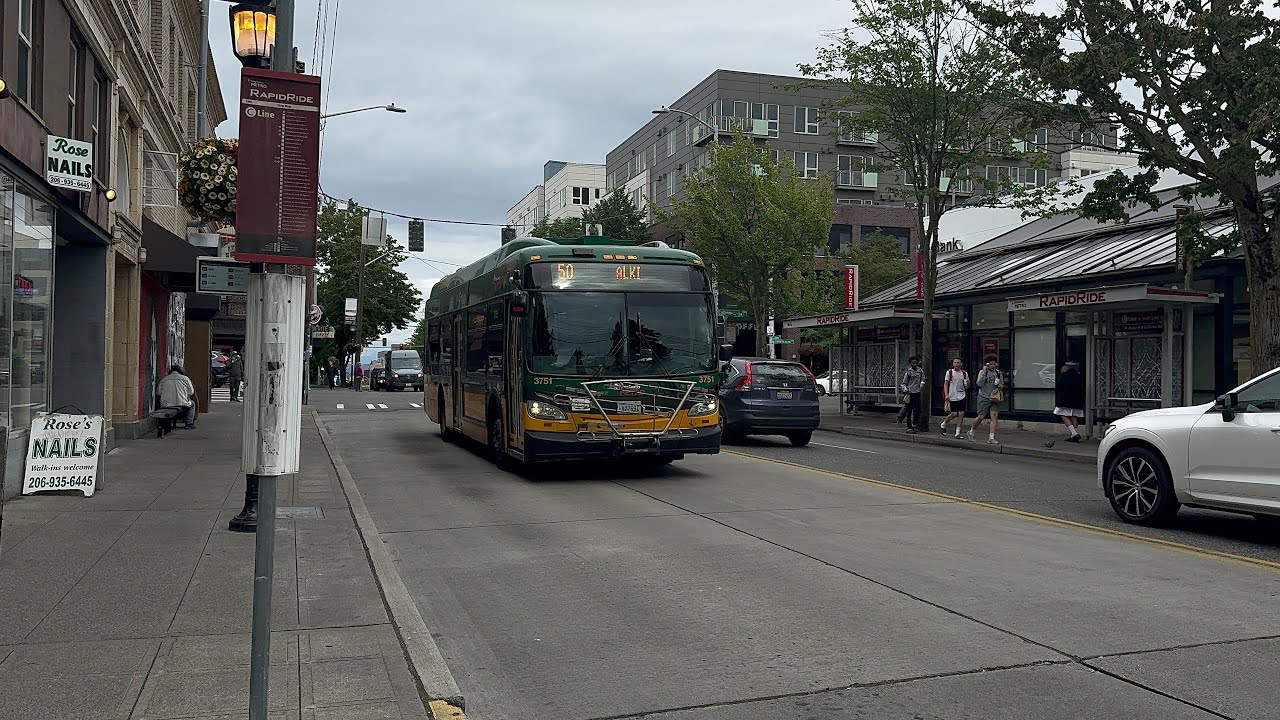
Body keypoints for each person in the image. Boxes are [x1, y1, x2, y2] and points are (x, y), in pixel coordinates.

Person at [968, 354, 1005, 444]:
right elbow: (979, 384)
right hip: (984, 397)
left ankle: (991, 437)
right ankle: (971, 431)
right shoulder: (982, 372)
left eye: (994, 364)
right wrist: (984, 373)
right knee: (981, 416)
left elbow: (1002, 385)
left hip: (994, 397)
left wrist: (999, 384)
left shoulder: (998, 373)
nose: (993, 366)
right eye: (991, 364)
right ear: (987, 364)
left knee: (994, 416)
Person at [1054, 361, 1086, 442]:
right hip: (1077, 400)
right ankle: (1073, 434)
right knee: (1073, 415)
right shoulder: (1078, 376)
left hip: (1065, 400)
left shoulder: (1064, 376)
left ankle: (1074, 433)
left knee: (1061, 413)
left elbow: (1059, 386)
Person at [158, 365, 198, 429]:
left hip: (166, 404)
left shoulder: (164, 379)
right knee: (192, 404)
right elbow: (191, 392)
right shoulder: (185, 378)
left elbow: (158, 392)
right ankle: (189, 423)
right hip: (183, 404)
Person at [940, 357, 969, 438]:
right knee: (953, 413)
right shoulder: (949, 372)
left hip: (962, 395)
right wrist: (946, 394)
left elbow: (967, 386)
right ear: (953, 364)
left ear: (961, 364)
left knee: (961, 413)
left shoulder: (964, 373)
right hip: (952, 395)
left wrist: (967, 383)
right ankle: (944, 423)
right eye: (955, 362)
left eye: (958, 362)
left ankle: (958, 432)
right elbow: (946, 384)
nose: (956, 364)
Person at [899, 355, 924, 433]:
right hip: (910, 393)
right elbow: (903, 383)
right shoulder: (908, 372)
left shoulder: (920, 371)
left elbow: (923, 379)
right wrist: (906, 390)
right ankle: (909, 427)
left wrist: (922, 384)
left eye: (916, 363)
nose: (914, 365)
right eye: (913, 363)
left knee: (918, 410)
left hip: (917, 392)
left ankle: (914, 424)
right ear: (910, 364)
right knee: (909, 411)